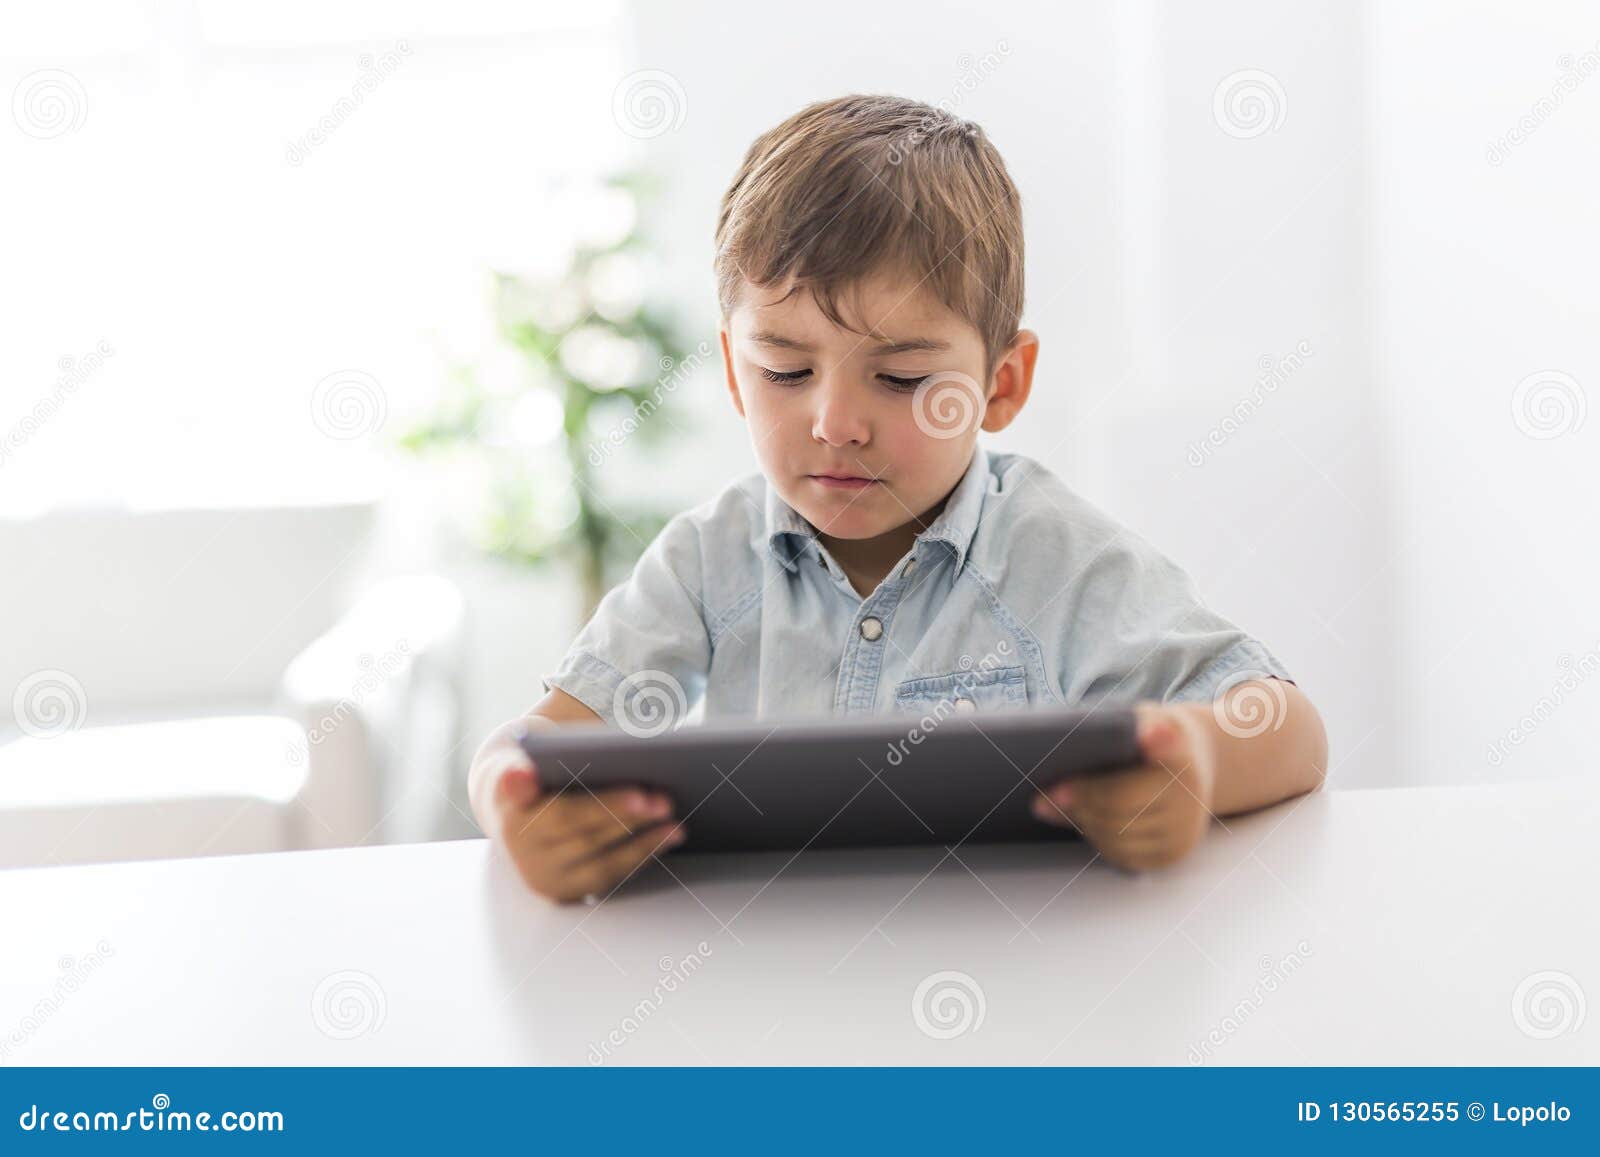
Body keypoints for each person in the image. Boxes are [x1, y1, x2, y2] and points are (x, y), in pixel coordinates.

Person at [469, 94, 1328, 903]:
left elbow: (1289, 728)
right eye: (786, 371)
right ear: (734, 370)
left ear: (1001, 384)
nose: (836, 424)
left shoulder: (1055, 554)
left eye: (903, 378)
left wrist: (1198, 763)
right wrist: (512, 803)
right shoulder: (706, 561)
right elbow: (529, 744)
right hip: (770, 978)